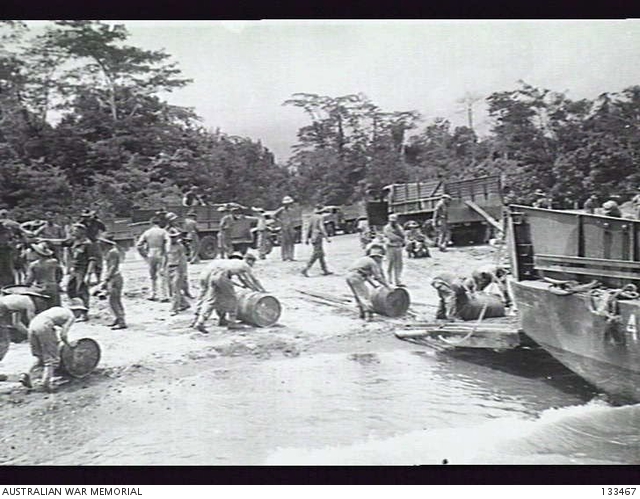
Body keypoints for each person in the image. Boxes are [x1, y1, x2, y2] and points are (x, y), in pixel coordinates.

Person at [19, 297, 88, 392]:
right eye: (81, 312)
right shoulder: (71, 316)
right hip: (44, 326)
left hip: (32, 325)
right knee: (52, 359)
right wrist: (70, 345)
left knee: (40, 357)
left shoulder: (58, 309)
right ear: (77, 310)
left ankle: (26, 375)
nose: (80, 315)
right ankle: (46, 383)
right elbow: (63, 335)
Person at [191, 252, 266, 334]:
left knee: (211, 300)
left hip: (212, 276)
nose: (253, 265)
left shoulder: (229, 262)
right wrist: (262, 291)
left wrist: (248, 286)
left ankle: (200, 322)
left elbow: (243, 280)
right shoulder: (245, 265)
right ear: (249, 260)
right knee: (232, 298)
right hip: (222, 275)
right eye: (253, 262)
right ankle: (232, 322)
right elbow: (253, 280)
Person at [38, 223, 97, 321]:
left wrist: (89, 274)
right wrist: (46, 240)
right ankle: (77, 309)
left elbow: (92, 260)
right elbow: (62, 242)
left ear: (82, 232)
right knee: (70, 289)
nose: (73, 232)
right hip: (74, 269)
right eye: (73, 230)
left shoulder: (87, 243)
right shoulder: (74, 241)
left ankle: (84, 313)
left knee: (81, 291)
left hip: (83, 270)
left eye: (76, 231)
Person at [345, 247, 391, 321]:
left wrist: (375, 286)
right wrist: (388, 286)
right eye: (380, 258)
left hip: (349, 276)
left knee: (358, 295)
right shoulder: (372, 262)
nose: (380, 260)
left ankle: (361, 313)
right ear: (377, 257)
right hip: (356, 277)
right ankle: (368, 315)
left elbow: (366, 276)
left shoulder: (364, 259)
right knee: (365, 296)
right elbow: (378, 277)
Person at [135, 216, 171, 302]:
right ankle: (163, 295)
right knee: (162, 275)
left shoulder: (147, 232)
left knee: (152, 276)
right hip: (160, 253)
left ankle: (153, 294)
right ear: (159, 223)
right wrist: (166, 252)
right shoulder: (163, 232)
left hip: (150, 254)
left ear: (151, 223)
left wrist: (144, 255)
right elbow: (168, 242)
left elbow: (139, 245)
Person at [98, 236, 127, 329]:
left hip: (114, 278)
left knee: (113, 300)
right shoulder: (112, 251)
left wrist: (106, 279)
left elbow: (112, 267)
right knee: (115, 300)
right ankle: (118, 318)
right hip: (115, 277)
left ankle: (121, 321)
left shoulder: (112, 252)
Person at [24, 242, 63, 308]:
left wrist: (26, 286)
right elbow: (59, 275)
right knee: (56, 308)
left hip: (41, 289)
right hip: (53, 288)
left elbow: (29, 280)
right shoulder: (54, 262)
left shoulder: (34, 265)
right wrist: (57, 282)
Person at [301, 204, 333, 277]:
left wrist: (306, 238)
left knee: (321, 254)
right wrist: (327, 237)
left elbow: (308, 228)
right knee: (316, 254)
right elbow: (321, 227)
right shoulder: (320, 217)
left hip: (313, 237)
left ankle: (325, 269)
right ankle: (305, 269)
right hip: (318, 236)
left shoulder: (312, 217)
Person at [166, 228, 190, 316]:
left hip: (177, 268)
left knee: (175, 289)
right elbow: (165, 257)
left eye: (174, 237)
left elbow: (183, 260)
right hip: (169, 268)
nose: (173, 239)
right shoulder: (167, 246)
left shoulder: (180, 247)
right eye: (171, 237)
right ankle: (184, 303)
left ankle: (174, 309)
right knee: (171, 289)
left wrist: (183, 272)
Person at [79, 210, 106, 283]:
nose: (87, 218)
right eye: (85, 217)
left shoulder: (97, 222)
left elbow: (104, 231)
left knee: (98, 261)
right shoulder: (81, 224)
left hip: (95, 243)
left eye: (88, 217)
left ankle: (98, 278)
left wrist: (99, 237)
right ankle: (86, 279)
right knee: (84, 261)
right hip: (85, 244)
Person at [383, 214, 406, 286]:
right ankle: (389, 280)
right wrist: (399, 238)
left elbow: (403, 235)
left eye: (394, 221)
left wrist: (401, 238)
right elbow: (391, 237)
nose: (393, 222)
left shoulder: (399, 227)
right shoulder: (387, 228)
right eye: (391, 221)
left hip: (398, 247)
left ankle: (398, 280)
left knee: (399, 264)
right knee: (390, 264)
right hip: (390, 247)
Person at [273, 195, 297, 261]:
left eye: (289, 203)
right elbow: (273, 215)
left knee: (291, 242)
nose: (288, 204)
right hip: (283, 227)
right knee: (284, 242)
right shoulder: (281, 209)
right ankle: (284, 257)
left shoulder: (291, 210)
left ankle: (291, 256)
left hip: (290, 227)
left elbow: (292, 219)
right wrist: (279, 221)